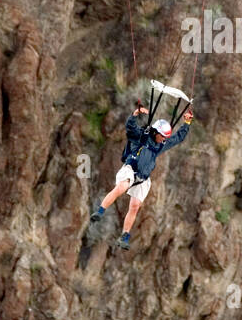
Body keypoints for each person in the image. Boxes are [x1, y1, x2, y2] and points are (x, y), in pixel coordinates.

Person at [79, 103, 194, 262]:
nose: (164, 140)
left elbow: (178, 137)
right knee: (121, 187)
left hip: (143, 178)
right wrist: (135, 115)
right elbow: (130, 128)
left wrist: (187, 123)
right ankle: (100, 211)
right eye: (162, 136)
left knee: (134, 206)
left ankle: (124, 236)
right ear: (156, 132)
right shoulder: (142, 136)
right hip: (130, 169)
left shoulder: (161, 145)